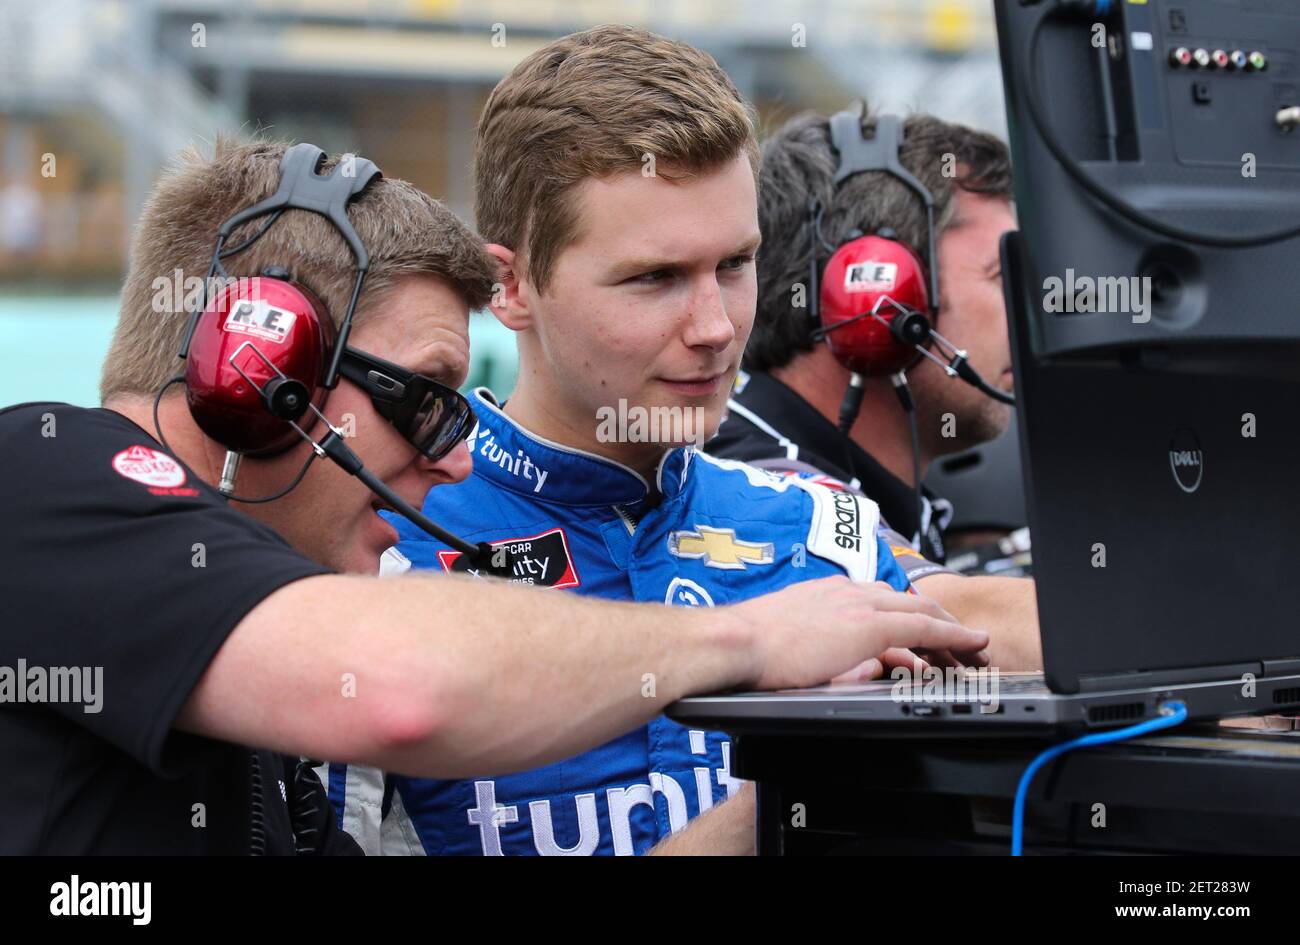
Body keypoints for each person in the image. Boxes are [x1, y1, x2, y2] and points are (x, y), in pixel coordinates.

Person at [0, 138, 987, 855]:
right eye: (427, 401)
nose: (456, 459)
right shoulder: (40, 479)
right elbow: (406, 689)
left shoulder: (246, 694)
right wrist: (755, 639)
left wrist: (790, 784)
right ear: (257, 370)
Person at [327, 26, 1007, 857]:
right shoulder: (379, 553)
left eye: (735, 265)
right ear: (510, 286)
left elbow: (997, 632)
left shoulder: (822, 527)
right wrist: (787, 789)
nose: (715, 327)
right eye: (655, 278)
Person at [707, 106, 1040, 653]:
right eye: (1000, 275)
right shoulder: (758, 482)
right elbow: (952, 621)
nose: (1027, 310)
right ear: (876, 297)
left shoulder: (882, 493)